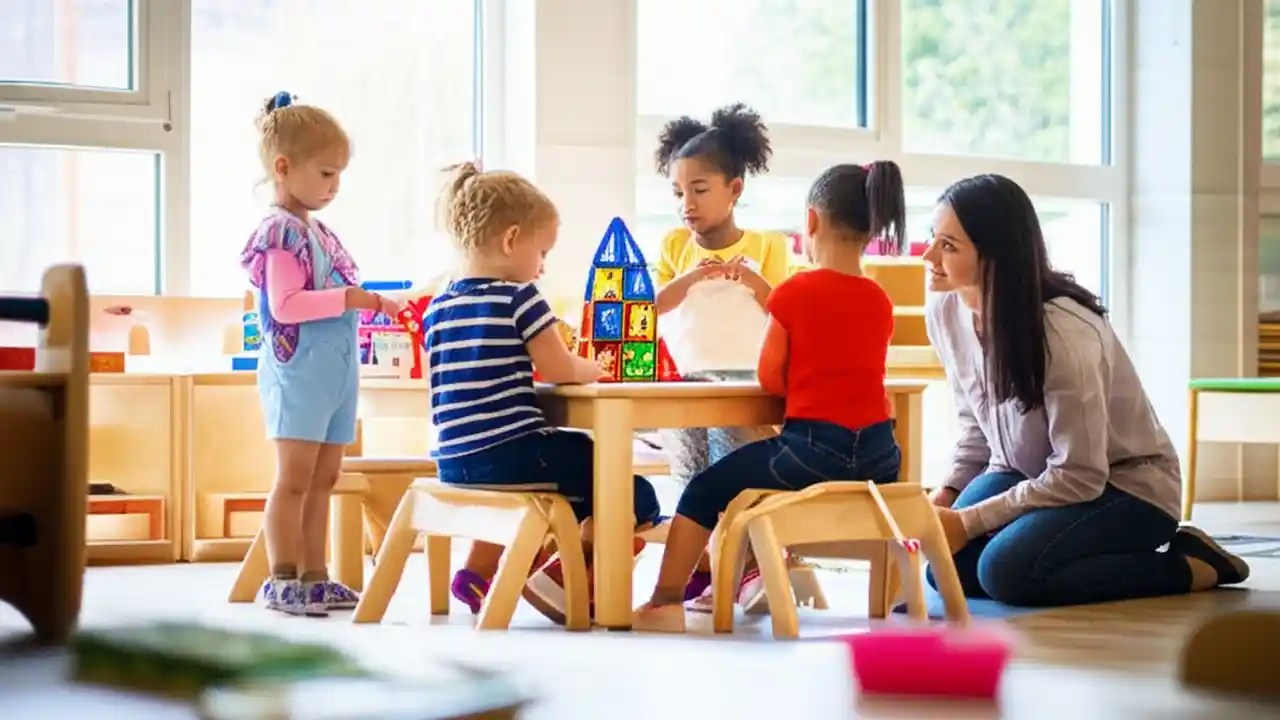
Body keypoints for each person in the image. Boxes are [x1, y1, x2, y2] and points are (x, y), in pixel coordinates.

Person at [922, 173, 1250, 607]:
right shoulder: (947, 310)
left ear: (994, 256)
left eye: (948, 245)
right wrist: (944, 498)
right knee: (948, 567)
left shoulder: (1063, 333)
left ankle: (1189, 564)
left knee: (1005, 572)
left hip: (1126, 485)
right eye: (932, 238)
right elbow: (977, 429)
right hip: (1031, 473)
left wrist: (969, 519)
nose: (928, 255)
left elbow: (1081, 474)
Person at [633, 162, 908, 633]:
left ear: (812, 222)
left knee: (704, 489)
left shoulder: (794, 292)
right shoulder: (879, 299)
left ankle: (664, 599)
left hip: (813, 452)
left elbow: (769, 378)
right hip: (880, 457)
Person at [426, 162, 660, 624]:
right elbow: (558, 368)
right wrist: (592, 367)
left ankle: (478, 574)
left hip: (453, 459)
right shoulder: (521, 297)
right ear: (512, 240)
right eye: (543, 251)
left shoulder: (441, 304)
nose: (543, 266)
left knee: (572, 471)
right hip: (512, 453)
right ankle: (568, 577)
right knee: (627, 488)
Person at [240, 91, 401, 616]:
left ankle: (315, 573)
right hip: (299, 372)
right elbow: (285, 306)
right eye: (327, 174)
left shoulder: (318, 231)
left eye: (339, 176)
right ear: (283, 168)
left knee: (324, 478)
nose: (334, 187)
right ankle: (283, 574)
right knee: (292, 479)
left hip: (335, 373)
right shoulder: (280, 232)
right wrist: (355, 298)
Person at [651, 103, 791, 600]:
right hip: (687, 379)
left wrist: (749, 278)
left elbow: (782, 306)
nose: (686, 203)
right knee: (690, 473)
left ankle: (750, 561)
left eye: (699, 190)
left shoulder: (767, 244)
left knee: (734, 467)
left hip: (746, 383)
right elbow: (652, 307)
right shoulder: (674, 246)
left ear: (734, 190)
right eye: (677, 192)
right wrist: (692, 277)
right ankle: (705, 564)